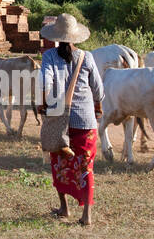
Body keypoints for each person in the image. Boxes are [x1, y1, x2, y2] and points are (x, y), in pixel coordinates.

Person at [36, 14, 104, 226]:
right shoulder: (87, 57)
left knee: (59, 165)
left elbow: (45, 81)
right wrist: (98, 107)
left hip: (58, 120)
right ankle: (87, 216)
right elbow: (98, 90)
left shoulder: (49, 56)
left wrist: (45, 102)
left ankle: (64, 208)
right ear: (75, 36)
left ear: (56, 36)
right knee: (86, 167)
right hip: (85, 122)